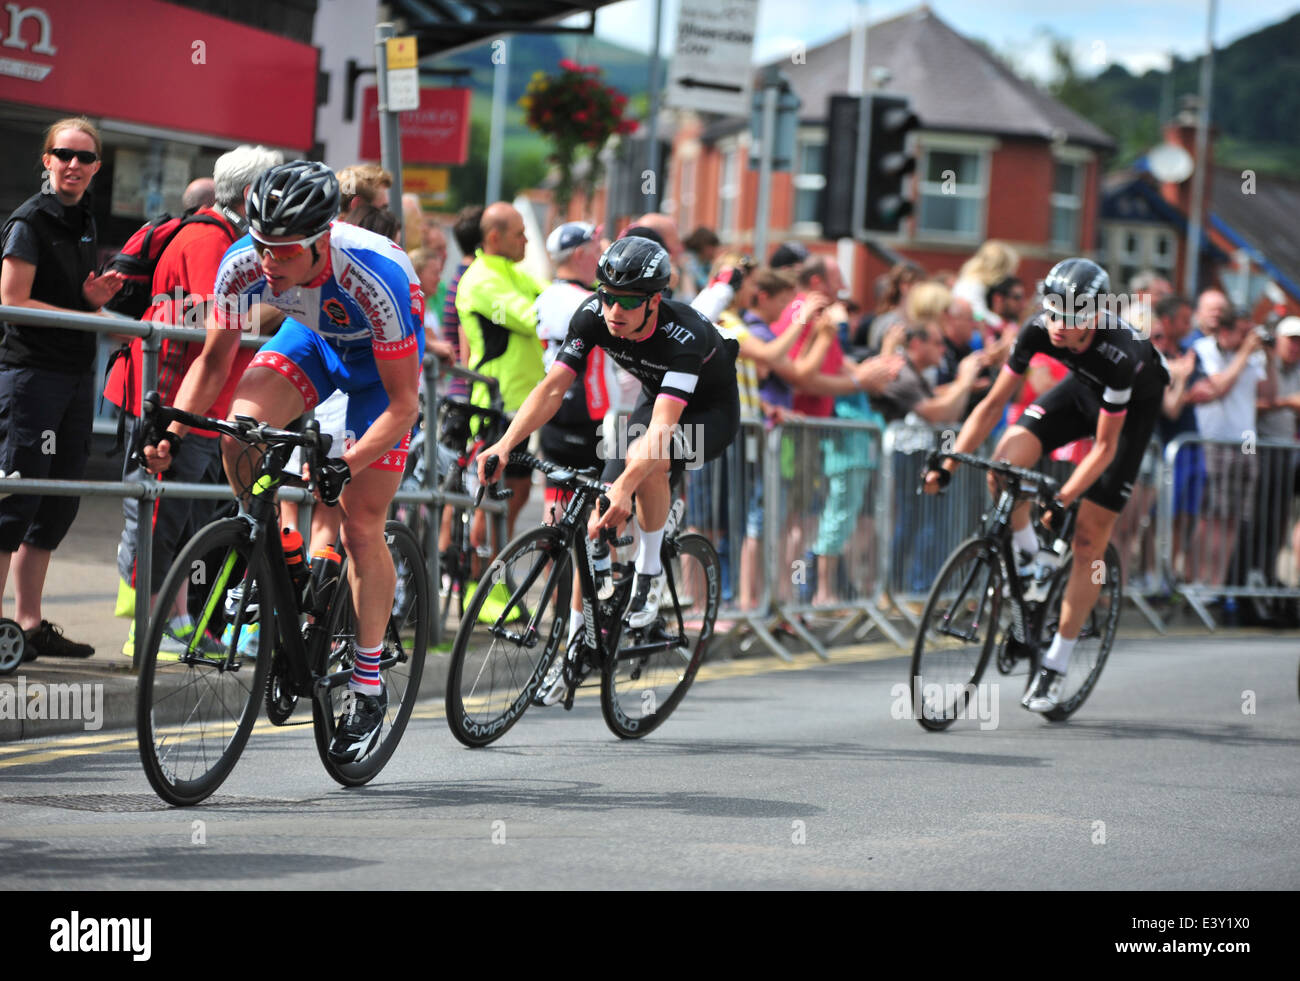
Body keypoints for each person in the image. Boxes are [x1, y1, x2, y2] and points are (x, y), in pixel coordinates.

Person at [143, 160, 424, 765]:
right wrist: (169, 425)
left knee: (358, 523)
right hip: (314, 340)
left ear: (323, 239)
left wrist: (347, 464)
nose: (268, 261)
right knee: (238, 434)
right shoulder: (243, 261)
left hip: (380, 373)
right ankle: (276, 554)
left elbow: (405, 405)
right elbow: (214, 364)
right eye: (262, 243)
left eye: (285, 250)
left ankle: (368, 685)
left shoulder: (375, 277)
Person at [478, 237, 740, 703]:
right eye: (607, 295)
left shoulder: (684, 337)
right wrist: (504, 444)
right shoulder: (593, 313)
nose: (613, 309)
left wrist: (626, 486)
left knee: (649, 463)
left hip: (707, 412)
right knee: (595, 518)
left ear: (654, 301)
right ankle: (576, 649)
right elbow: (553, 387)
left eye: (627, 301)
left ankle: (650, 571)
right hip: (652, 398)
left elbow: (663, 428)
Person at [925, 257, 1170, 713]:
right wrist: (949, 462)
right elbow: (995, 402)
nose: (1058, 324)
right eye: (1053, 310)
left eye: (1072, 316)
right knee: (1003, 464)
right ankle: (1030, 555)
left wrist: (1062, 499)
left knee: (1087, 539)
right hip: (1081, 392)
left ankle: (1056, 665)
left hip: (1127, 415)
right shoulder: (1039, 328)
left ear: (1095, 315)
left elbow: (1103, 448)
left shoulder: (1120, 352)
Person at [105, 143, 285, 654]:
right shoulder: (210, 239)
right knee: (162, 518)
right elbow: (219, 325)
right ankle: (150, 627)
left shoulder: (225, 236)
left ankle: (177, 620)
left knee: (183, 520)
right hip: (180, 398)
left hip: (200, 401)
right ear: (252, 195)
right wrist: (287, 307)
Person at [0, 116, 126, 659]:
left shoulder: (84, 218)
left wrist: (92, 299)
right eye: (64, 154)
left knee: (57, 503)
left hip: (74, 378)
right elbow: (13, 299)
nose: (74, 165)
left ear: (97, 168)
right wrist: (85, 315)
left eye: (85, 157)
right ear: (47, 160)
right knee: (15, 499)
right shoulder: (30, 219)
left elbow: (70, 299)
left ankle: (28, 626)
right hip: (32, 376)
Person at [455, 202, 547, 542]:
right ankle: (477, 589)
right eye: (520, 233)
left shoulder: (516, 272)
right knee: (490, 499)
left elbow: (552, 300)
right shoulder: (480, 278)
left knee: (517, 493)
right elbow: (533, 316)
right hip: (496, 404)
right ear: (494, 237)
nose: (526, 240)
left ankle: (496, 581)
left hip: (524, 404)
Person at [1191, 306, 1272, 599]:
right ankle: (1196, 578)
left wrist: (1269, 358)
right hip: (1214, 441)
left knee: (1234, 517)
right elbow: (1219, 388)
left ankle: (1217, 583)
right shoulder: (1204, 349)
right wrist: (1244, 355)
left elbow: (1269, 395)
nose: (1247, 337)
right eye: (1242, 331)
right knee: (1212, 514)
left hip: (1246, 441)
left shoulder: (1253, 355)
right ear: (1224, 332)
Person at [952, 241, 1019, 325]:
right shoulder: (973, 284)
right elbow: (977, 314)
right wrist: (1000, 323)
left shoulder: (973, 281)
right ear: (1000, 267)